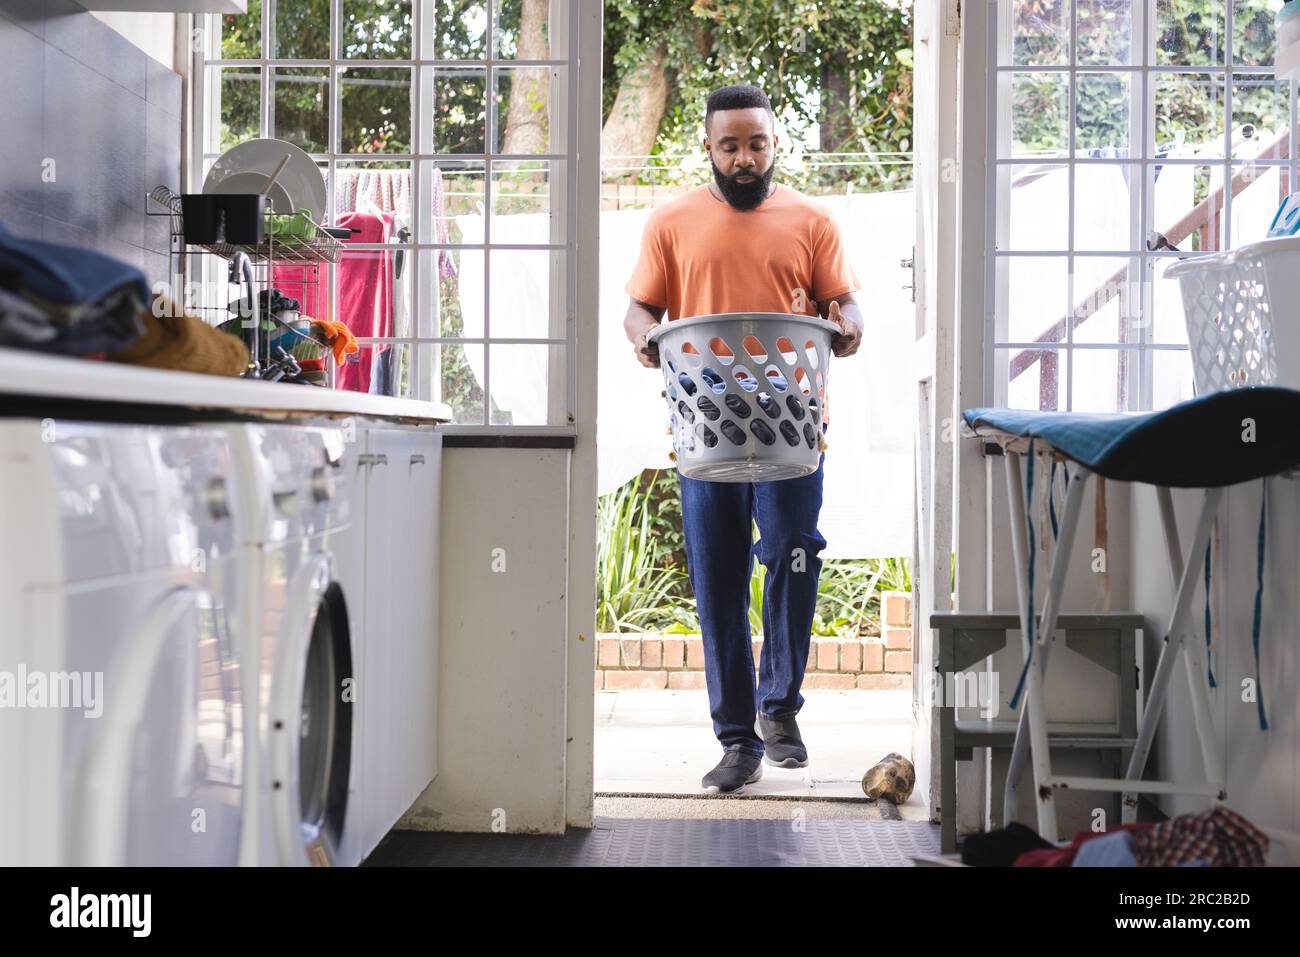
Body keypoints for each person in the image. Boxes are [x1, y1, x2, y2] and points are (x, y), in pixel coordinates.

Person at [622, 83, 864, 794]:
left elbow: (839, 300)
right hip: (704, 420)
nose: (744, 157)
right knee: (719, 576)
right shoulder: (671, 223)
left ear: (774, 142)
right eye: (730, 145)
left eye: (756, 143)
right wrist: (645, 340)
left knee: (793, 554)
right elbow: (639, 309)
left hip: (791, 413)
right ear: (708, 146)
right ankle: (736, 739)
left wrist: (852, 322)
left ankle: (779, 709)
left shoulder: (812, 220)